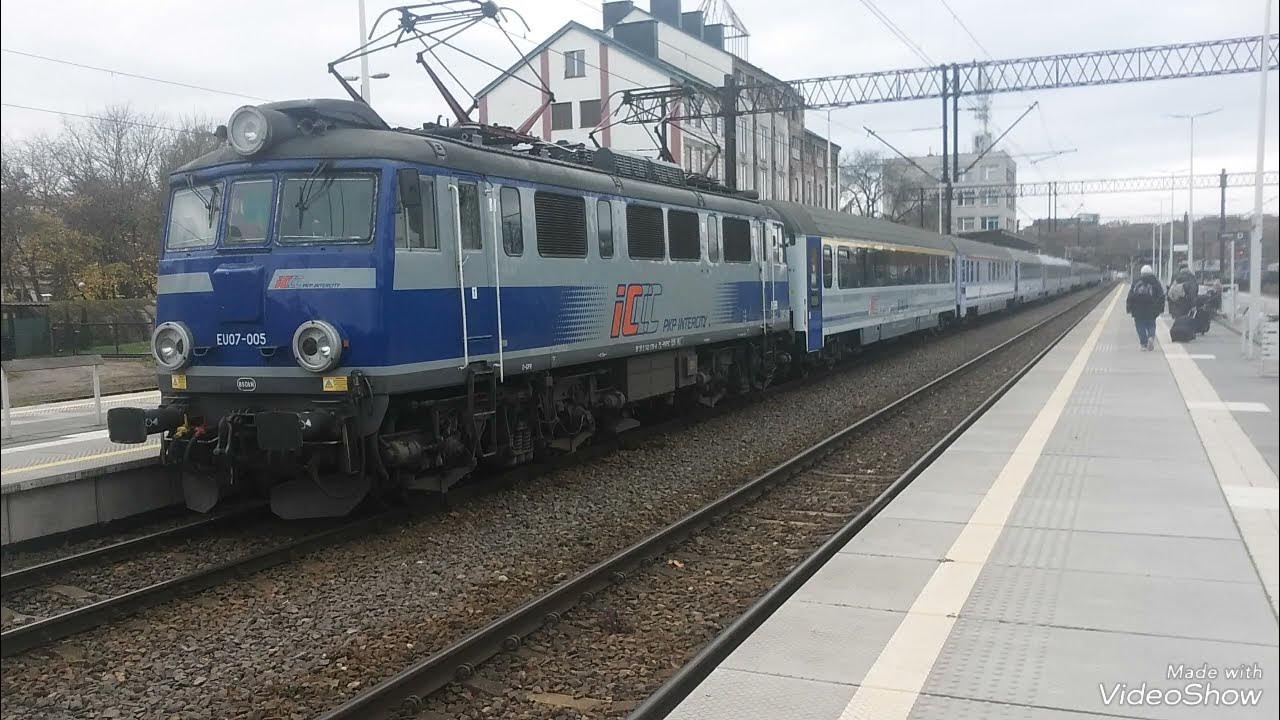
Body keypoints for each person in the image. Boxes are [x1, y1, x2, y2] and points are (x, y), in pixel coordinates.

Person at [1126, 265, 1165, 351]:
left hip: (1138, 309)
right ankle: (1150, 337)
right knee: (1151, 324)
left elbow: (1130, 295)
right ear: (1151, 272)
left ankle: (1143, 344)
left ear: (1141, 273)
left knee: (1140, 326)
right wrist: (1161, 308)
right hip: (1151, 308)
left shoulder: (1137, 282)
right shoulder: (1155, 282)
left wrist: (1129, 308)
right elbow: (1161, 296)